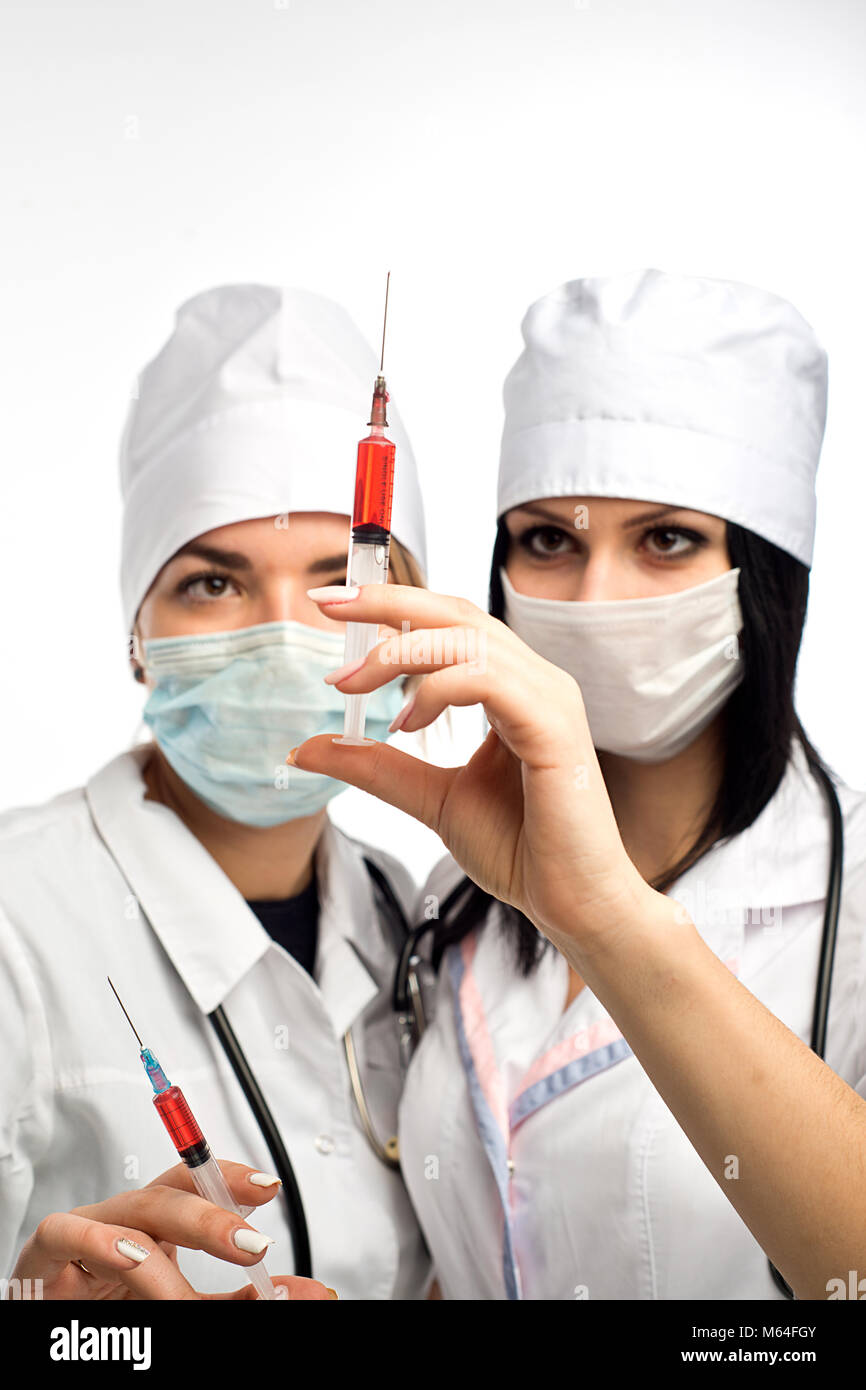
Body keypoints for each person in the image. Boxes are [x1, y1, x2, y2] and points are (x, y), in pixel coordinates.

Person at [290, 269, 866, 1300]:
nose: (596, 599)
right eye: (549, 539)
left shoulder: (850, 898)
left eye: (665, 539)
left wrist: (603, 917)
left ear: (766, 574)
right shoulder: (454, 897)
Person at [1, 283, 433, 1300]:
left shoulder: (409, 908)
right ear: (138, 635)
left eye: (340, 579)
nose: (286, 636)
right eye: (213, 582)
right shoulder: (16, 914)